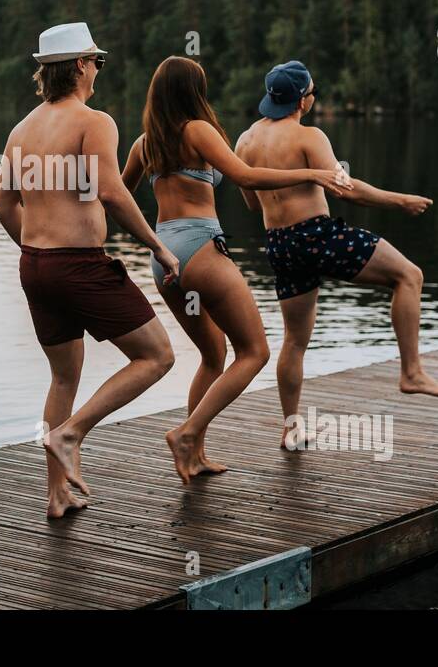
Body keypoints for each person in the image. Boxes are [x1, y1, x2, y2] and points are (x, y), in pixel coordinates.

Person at [121, 56, 352, 482]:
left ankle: (194, 453)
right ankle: (187, 433)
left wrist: (148, 241)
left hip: (163, 258)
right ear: (193, 92)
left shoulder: (144, 144)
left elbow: (116, 195)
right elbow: (246, 176)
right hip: (202, 248)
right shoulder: (198, 130)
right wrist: (315, 172)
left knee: (213, 356)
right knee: (255, 352)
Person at [0, 23, 180, 518]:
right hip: (78, 264)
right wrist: (158, 247)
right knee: (157, 356)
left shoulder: (21, 129)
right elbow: (113, 191)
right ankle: (73, 433)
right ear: (79, 64)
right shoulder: (93, 122)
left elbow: (1, 203)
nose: (98, 69)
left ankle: (56, 496)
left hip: (35, 266)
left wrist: (37, 252)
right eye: (96, 61)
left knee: (62, 378)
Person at [234, 61, 438, 450]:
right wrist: (400, 201)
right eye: (312, 92)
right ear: (303, 101)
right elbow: (347, 189)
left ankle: (291, 429)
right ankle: (412, 372)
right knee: (409, 276)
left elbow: (252, 203)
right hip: (317, 235)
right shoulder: (308, 136)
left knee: (294, 340)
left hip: (280, 244)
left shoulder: (245, 142)